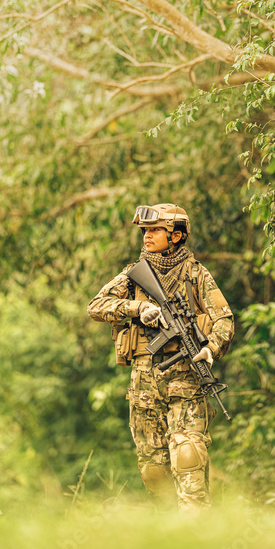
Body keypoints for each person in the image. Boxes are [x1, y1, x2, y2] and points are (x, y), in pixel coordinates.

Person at [86, 203, 234, 512]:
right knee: (153, 468)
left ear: (177, 236)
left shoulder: (196, 274)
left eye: (155, 230)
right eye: (144, 231)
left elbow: (224, 320)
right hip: (144, 384)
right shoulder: (133, 274)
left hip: (186, 379)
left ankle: (196, 529)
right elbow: (96, 306)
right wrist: (138, 309)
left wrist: (210, 349)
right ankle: (168, 535)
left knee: (189, 457)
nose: (147, 236)